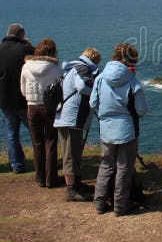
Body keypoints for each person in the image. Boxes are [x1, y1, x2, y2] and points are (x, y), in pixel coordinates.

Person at [91, 43, 148, 216]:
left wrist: (104, 114)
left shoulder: (100, 78)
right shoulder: (132, 81)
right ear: (133, 60)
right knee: (124, 167)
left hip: (106, 129)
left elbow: (92, 103)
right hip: (126, 130)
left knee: (106, 165)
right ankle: (120, 206)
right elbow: (141, 110)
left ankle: (100, 203)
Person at [54, 48, 101, 202]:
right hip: (72, 117)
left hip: (66, 116)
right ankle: (71, 189)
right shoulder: (82, 69)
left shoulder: (72, 68)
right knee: (70, 154)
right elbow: (82, 87)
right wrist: (96, 93)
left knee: (73, 152)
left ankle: (77, 184)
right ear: (94, 60)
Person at [0, 23, 35, 174]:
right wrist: (28, 44)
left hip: (5, 100)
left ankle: (17, 165)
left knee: (11, 134)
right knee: (35, 132)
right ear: (21, 35)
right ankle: (42, 161)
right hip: (24, 99)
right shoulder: (25, 49)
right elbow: (37, 60)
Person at [20, 38, 62, 188]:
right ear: (52, 52)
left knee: (37, 143)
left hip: (32, 107)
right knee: (50, 142)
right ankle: (51, 179)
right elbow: (60, 89)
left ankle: (40, 178)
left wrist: (32, 98)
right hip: (49, 108)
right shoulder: (55, 67)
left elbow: (23, 90)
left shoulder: (26, 67)